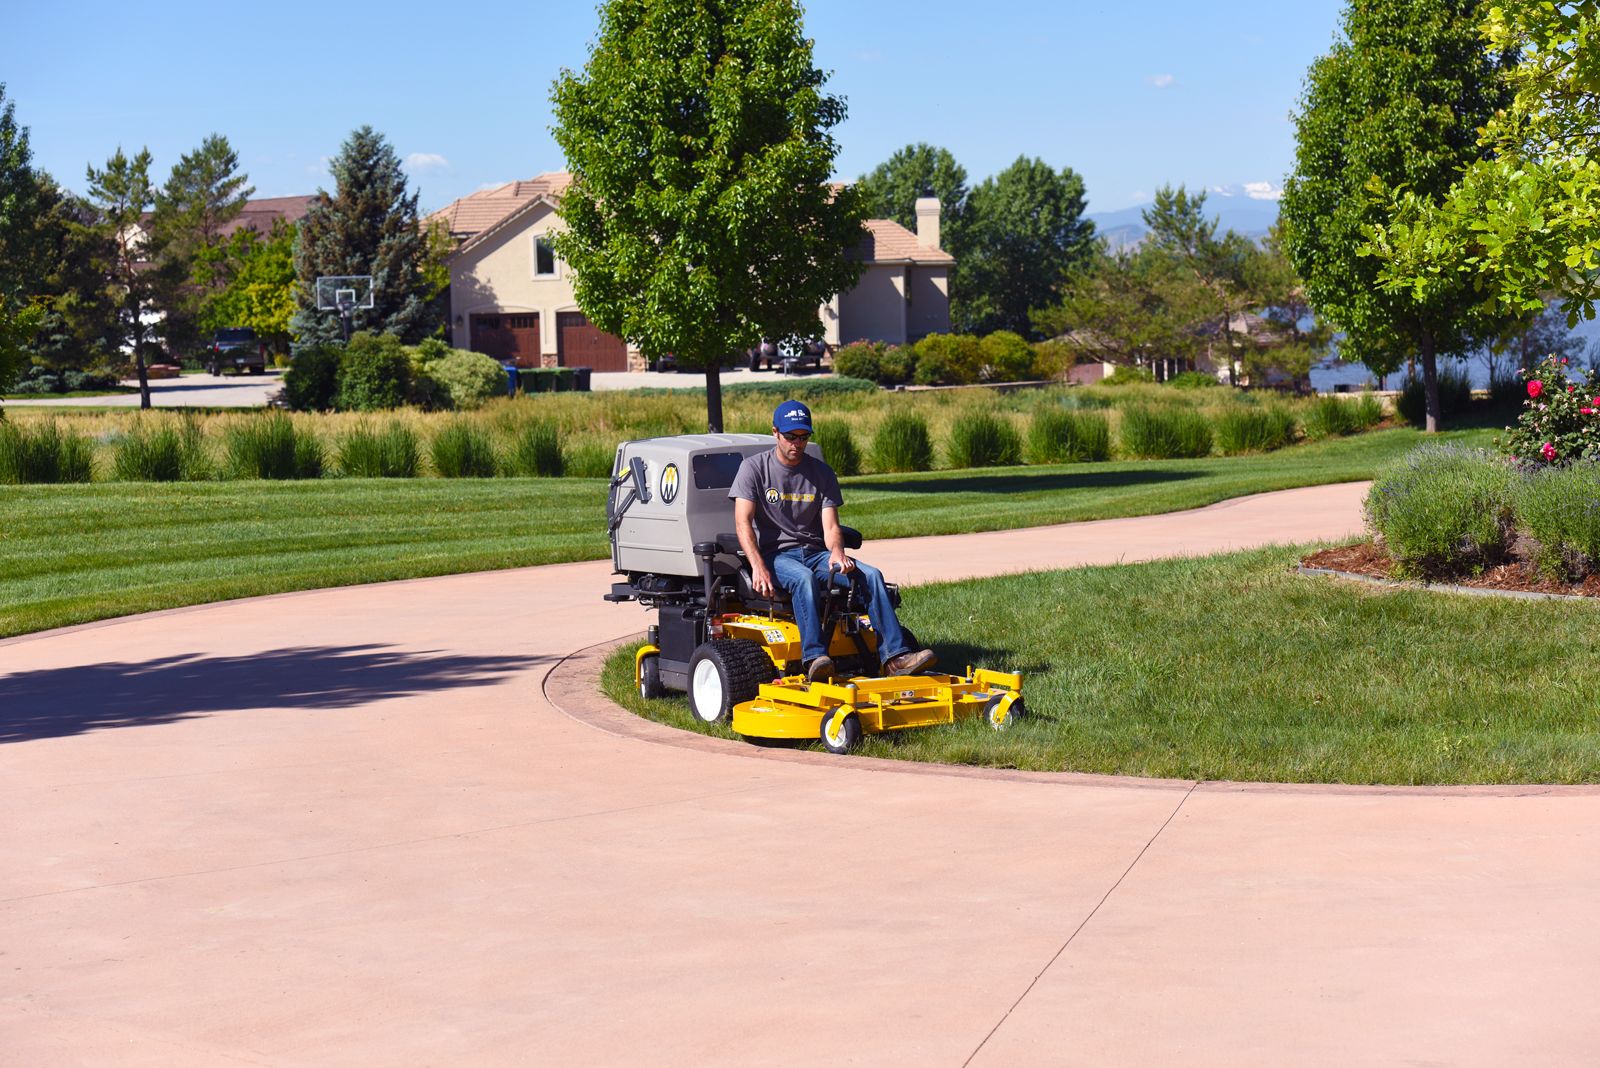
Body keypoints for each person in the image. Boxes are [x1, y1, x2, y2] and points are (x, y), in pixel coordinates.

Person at [730, 399, 936, 682]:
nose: (797, 443)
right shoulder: (753, 469)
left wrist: (838, 553)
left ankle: (895, 657)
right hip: (775, 556)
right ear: (775, 432)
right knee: (803, 578)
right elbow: (743, 522)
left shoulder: (822, 473)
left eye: (803, 437)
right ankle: (815, 659)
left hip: (816, 553)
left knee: (872, 575)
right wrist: (757, 565)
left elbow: (830, 526)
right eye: (790, 437)